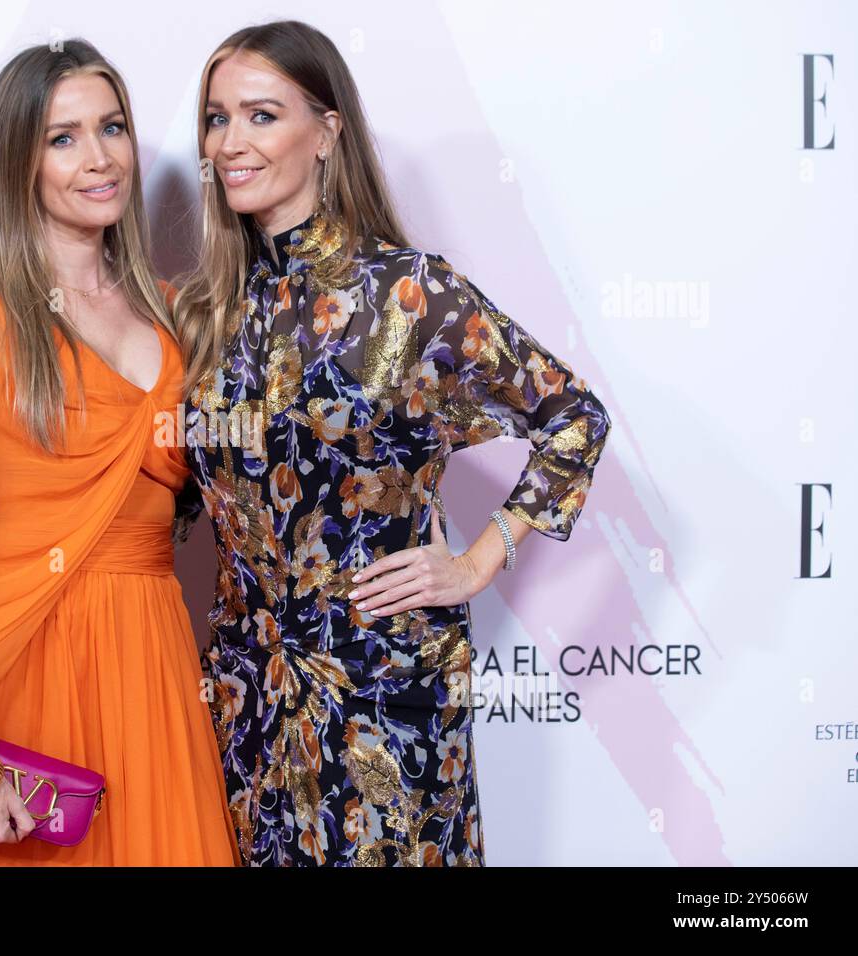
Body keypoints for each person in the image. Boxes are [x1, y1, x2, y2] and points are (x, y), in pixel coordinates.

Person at [170, 20, 612, 866]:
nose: (232, 142)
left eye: (262, 115)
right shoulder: (207, 313)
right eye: (217, 118)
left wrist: (480, 561)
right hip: (246, 699)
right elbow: (173, 494)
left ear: (327, 132)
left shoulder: (411, 296)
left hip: (388, 690)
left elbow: (574, 417)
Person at [0, 38, 238, 866]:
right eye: (62, 137)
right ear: (20, 163)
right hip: (28, 671)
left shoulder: (175, 317)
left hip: (152, 664)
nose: (99, 158)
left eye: (111, 127)